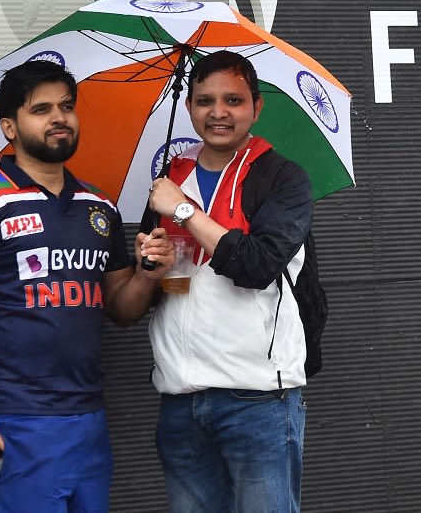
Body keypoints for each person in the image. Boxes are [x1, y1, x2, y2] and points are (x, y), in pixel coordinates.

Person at [0, 59, 173, 513]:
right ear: (9, 127)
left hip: (90, 419)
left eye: (66, 106)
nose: (59, 117)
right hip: (18, 420)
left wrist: (147, 275)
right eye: (41, 109)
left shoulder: (99, 208)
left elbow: (122, 310)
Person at [141, 49, 315, 513]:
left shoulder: (283, 178)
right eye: (205, 100)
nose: (218, 112)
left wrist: (183, 211)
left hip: (257, 400)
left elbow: (257, 266)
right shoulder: (169, 179)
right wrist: (149, 264)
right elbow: (161, 286)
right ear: (190, 106)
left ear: (256, 108)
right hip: (180, 401)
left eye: (233, 100)